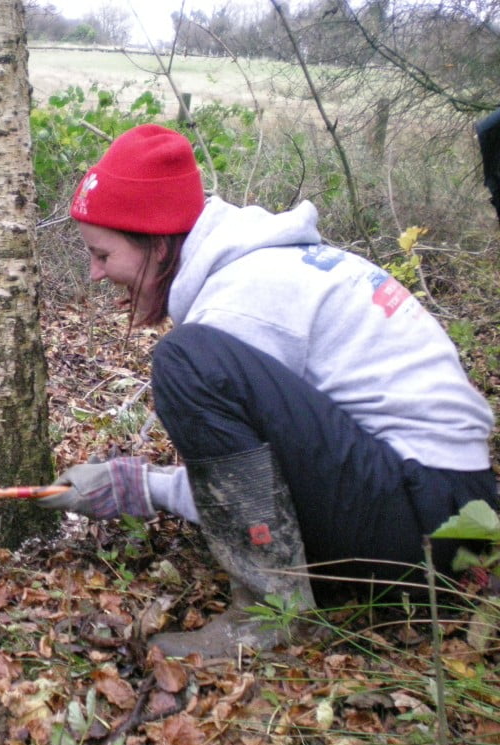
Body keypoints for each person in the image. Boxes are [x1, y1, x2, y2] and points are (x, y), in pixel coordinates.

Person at [40, 124, 499, 658]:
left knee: (187, 359)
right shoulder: (269, 266)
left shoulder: (244, 297)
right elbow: (271, 471)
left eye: (102, 255)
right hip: (458, 511)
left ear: (158, 243)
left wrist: (142, 489)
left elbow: (254, 489)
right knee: (196, 355)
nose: (96, 274)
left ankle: (270, 616)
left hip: (423, 520)